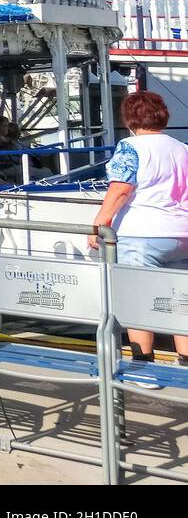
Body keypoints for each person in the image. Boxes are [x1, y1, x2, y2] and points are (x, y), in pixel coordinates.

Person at [89, 91, 188, 383]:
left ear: (130, 118)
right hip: (181, 233)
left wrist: (99, 224)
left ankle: (145, 370)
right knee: (180, 301)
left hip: (142, 233)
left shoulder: (130, 147)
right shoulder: (181, 148)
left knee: (139, 301)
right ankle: (185, 364)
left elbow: (120, 189)